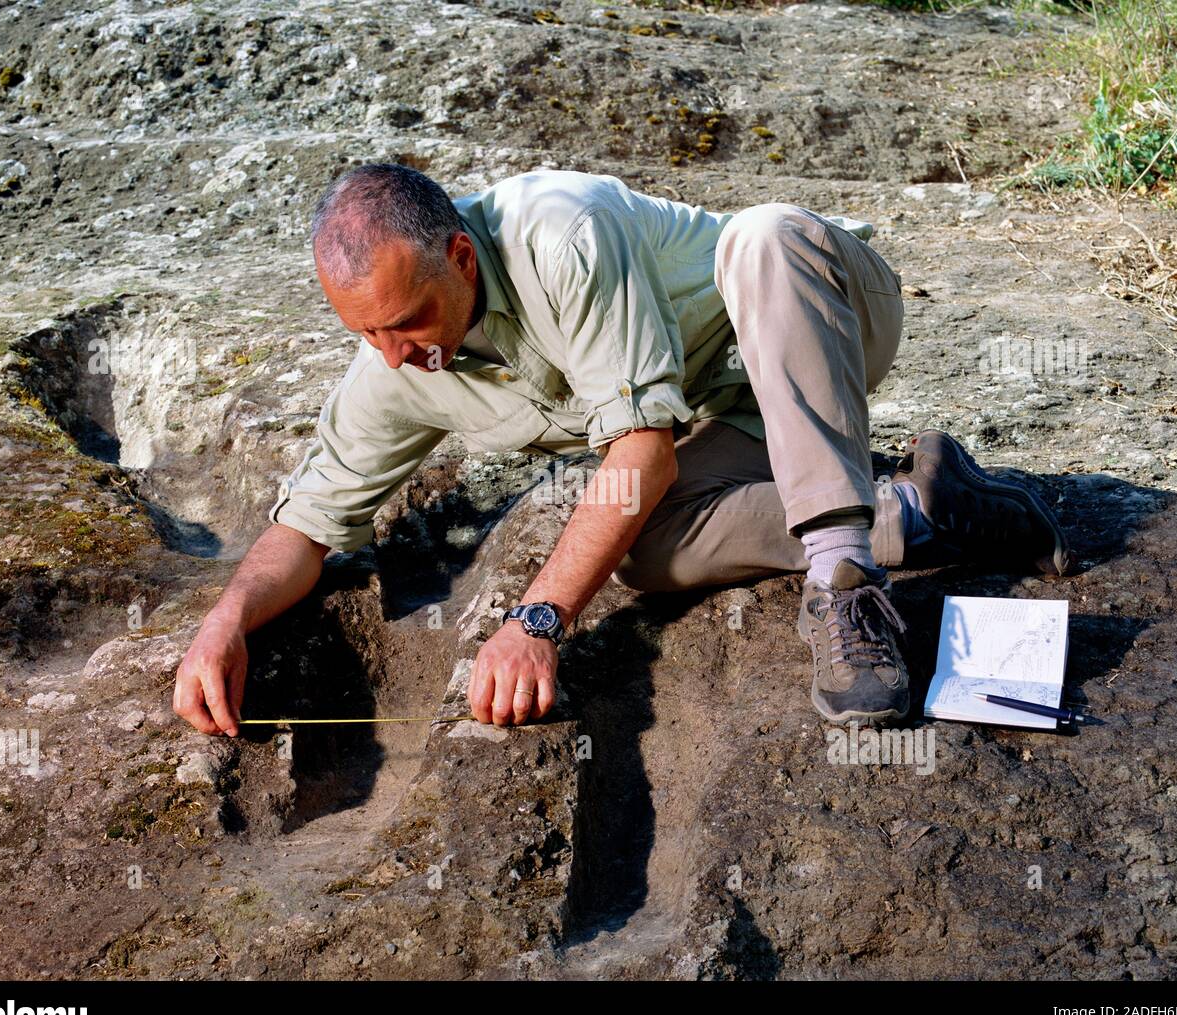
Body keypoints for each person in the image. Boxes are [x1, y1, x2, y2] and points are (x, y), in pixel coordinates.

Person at [172, 164, 1070, 736]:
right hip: (741, 428)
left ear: (460, 254)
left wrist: (534, 623)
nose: (394, 354)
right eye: (368, 335)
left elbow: (641, 452)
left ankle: (841, 582)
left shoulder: (559, 233)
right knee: (638, 552)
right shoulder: (398, 360)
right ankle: (920, 506)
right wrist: (225, 622)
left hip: (818, 323)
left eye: (405, 323)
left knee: (764, 234)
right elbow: (309, 524)